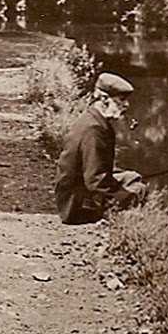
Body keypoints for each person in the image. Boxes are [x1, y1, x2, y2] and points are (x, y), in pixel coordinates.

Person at [54, 72, 146, 225]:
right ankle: (131, 221)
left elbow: (95, 169)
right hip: (76, 206)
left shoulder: (92, 119)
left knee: (132, 177)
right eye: (121, 100)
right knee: (138, 189)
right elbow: (95, 181)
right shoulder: (94, 130)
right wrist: (114, 203)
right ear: (104, 99)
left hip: (72, 194)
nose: (127, 105)